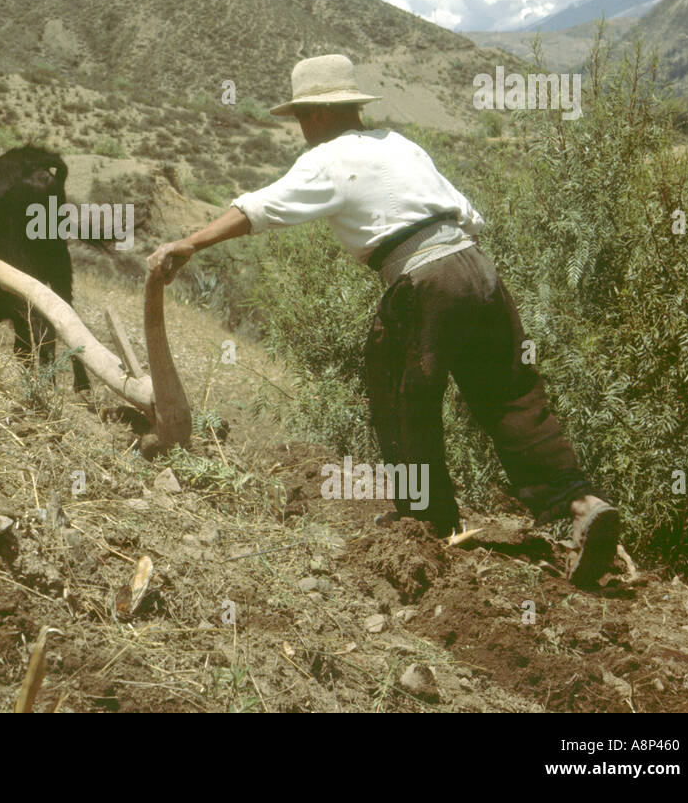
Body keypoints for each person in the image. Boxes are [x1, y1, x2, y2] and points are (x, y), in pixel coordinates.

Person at [147, 54, 620, 587]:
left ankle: (427, 525)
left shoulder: (328, 157)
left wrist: (188, 242)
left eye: (302, 116)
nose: (302, 128)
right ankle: (577, 504)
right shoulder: (400, 145)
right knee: (512, 395)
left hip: (424, 276)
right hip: (477, 267)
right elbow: (467, 213)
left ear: (319, 115)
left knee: (400, 398)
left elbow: (260, 208)